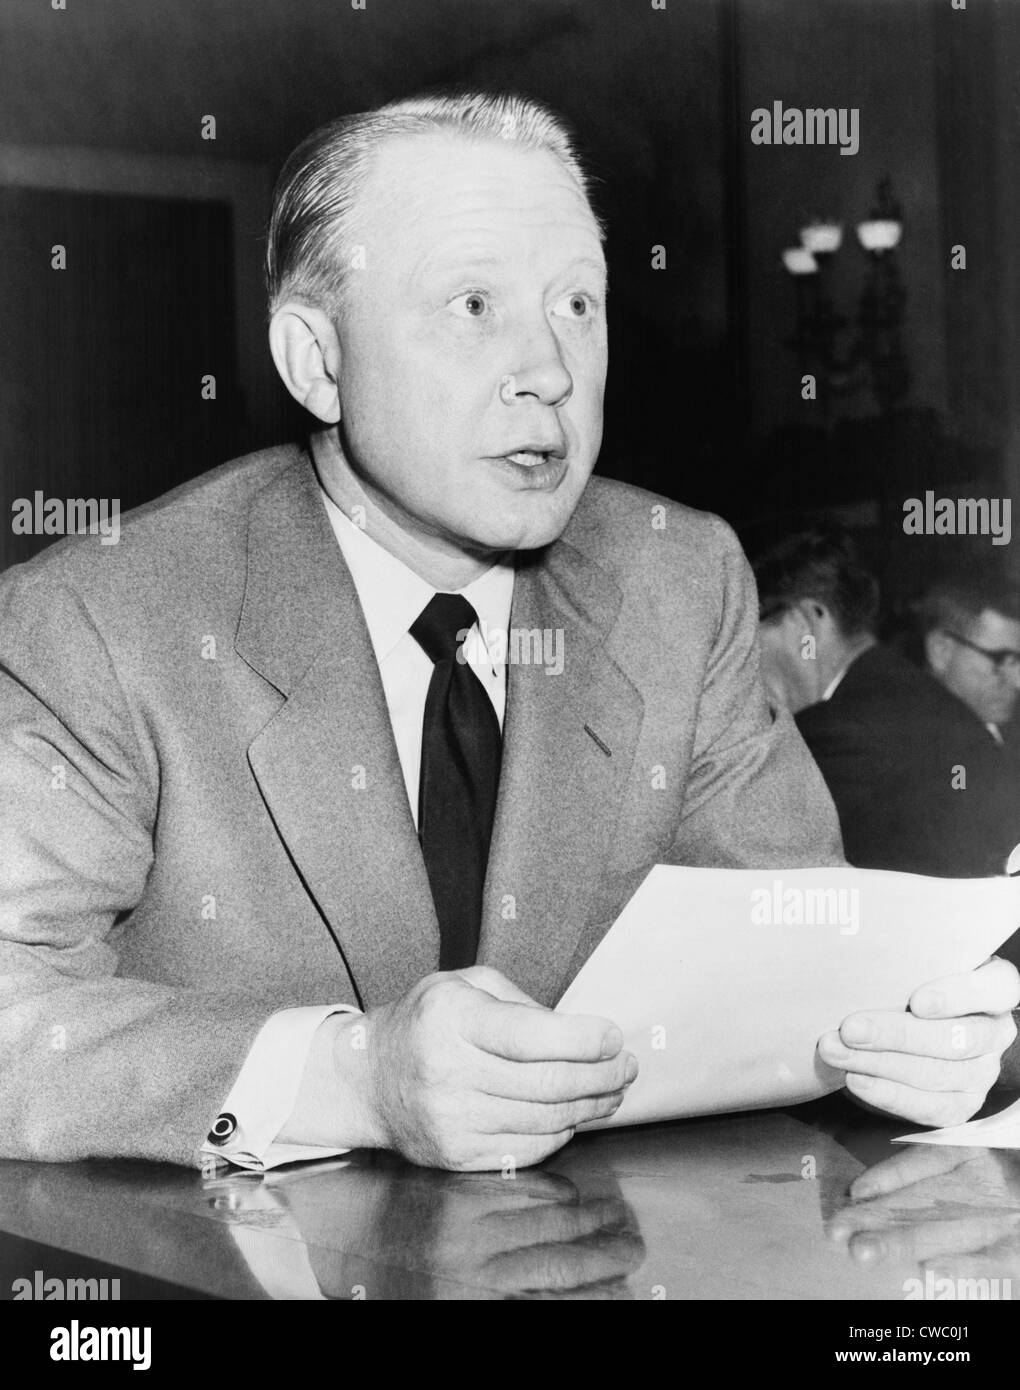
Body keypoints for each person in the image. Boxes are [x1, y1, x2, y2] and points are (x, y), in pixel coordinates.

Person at [1, 93, 1015, 1176]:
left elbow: (789, 945)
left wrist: (913, 1043)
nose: (552, 369)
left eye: (578, 303)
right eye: (474, 303)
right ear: (317, 361)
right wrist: (353, 1077)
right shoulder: (104, 616)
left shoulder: (678, 578)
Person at [754, 528, 1020, 879]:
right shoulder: (907, 701)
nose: (744, 661)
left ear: (804, 622)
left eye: (746, 636)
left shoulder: (839, 733)